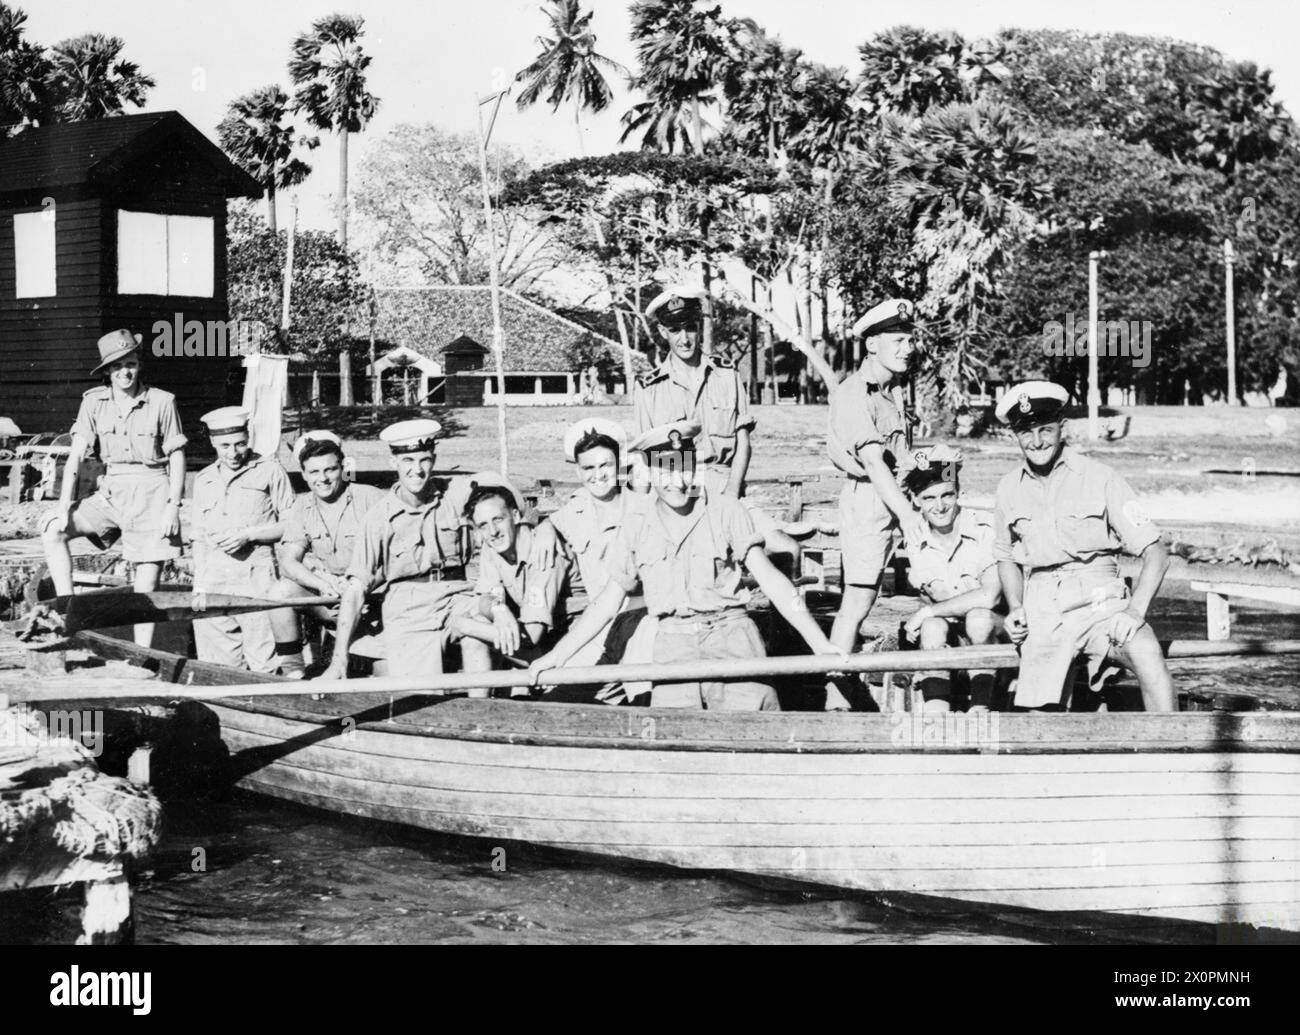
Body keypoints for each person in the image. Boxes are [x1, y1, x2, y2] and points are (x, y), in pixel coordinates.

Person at [529, 420, 840, 711]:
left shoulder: (726, 511)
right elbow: (606, 603)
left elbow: (774, 582)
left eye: (684, 469)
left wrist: (821, 645)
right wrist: (556, 656)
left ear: (696, 468)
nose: (676, 482)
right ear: (649, 474)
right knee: (673, 737)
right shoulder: (637, 526)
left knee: (754, 730)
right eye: (664, 472)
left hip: (732, 639)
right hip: (672, 647)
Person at [992, 381, 1176, 712]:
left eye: (1045, 430)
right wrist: (1016, 605)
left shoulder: (1099, 477)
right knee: (1041, 713)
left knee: (1147, 652)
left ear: (1062, 428)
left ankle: (1172, 755)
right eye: (1026, 433)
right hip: (1043, 610)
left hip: (1101, 603)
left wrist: (1135, 611)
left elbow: (1156, 552)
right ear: (1014, 436)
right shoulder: (1008, 488)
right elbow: (1006, 558)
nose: (1037, 442)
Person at [41, 330, 187, 647]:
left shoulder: (162, 402)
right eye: (117, 366)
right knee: (53, 529)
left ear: (139, 364)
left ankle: (142, 655)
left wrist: (173, 505)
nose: (125, 372)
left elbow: (176, 456)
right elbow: (76, 456)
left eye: (131, 363)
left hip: (152, 490)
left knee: (146, 582)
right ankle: (70, 609)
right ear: (107, 370)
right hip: (111, 491)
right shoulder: (93, 402)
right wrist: (64, 503)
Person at [319, 419, 488, 683]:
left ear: (434, 458)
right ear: (393, 462)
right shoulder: (378, 518)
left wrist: (533, 528)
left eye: (424, 460)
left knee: (481, 633)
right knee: (420, 693)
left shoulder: (453, 495)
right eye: (408, 460)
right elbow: (355, 588)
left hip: (459, 594)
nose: (417, 470)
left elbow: (500, 491)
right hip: (409, 608)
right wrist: (339, 659)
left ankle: (482, 716)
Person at [824, 299, 925, 710]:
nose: (908, 348)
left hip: (902, 497)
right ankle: (833, 697)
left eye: (910, 340)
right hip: (871, 502)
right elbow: (871, 462)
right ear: (871, 345)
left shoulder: (895, 389)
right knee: (858, 602)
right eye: (898, 341)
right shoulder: (853, 393)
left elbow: (897, 457)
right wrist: (906, 515)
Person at [190, 406, 303, 676]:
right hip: (213, 580)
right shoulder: (203, 479)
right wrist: (199, 584)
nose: (234, 452)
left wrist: (249, 534)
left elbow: (294, 525)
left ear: (248, 438)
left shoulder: (270, 471)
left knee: (264, 662)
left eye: (240, 444)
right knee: (217, 666)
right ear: (213, 443)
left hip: (257, 578)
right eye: (225, 446)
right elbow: (198, 537)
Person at [899, 445, 1003, 712]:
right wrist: (930, 615)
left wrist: (928, 612)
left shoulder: (983, 528)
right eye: (929, 498)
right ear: (915, 500)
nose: (940, 506)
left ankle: (981, 709)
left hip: (993, 631)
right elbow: (928, 593)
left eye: (948, 494)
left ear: (959, 493)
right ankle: (937, 712)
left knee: (977, 618)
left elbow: (991, 594)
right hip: (951, 630)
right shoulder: (916, 538)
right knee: (932, 626)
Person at [547, 418, 654, 672]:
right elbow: (551, 522)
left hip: (642, 621)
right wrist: (544, 531)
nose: (598, 475)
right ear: (578, 472)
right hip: (597, 627)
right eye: (588, 468)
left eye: (605, 464)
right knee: (557, 686)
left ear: (619, 465)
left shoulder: (643, 505)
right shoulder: (574, 512)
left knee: (639, 690)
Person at [276, 430, 385, 669]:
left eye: (330, 470)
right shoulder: (302, 506)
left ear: (342, 468)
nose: (322, 479)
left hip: (372, 600)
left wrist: (360, 586)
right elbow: (288, 561)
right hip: (330, 597)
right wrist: (321, 584)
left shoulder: (371, 499)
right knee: (280, 591)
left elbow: (392, 558)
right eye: (314, 471)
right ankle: (292, 671)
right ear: (303, 474)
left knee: (385, 680)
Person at [633, 287, 754, 498]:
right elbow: (645, 458)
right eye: (675, 330)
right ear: (663, 332)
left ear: (699, 327)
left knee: (766, 530)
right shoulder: (648, 388)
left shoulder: (727, 375)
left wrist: (732, 493)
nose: (685, 339)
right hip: (673, 488)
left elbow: (743, 441)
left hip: (722, 483)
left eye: (690, 328)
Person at [455, 483, 570, 670]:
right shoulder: (492, 546)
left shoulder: (542, 549)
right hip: (540, 642)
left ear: (515, 516)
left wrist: (464, 626)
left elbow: (532, 635)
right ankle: (478, 701)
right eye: (483, 525)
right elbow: (486, 596)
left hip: (572, 640)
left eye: (498, 519)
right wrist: (498, 609)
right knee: (475, 635)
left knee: (471, 629)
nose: (492, 531)